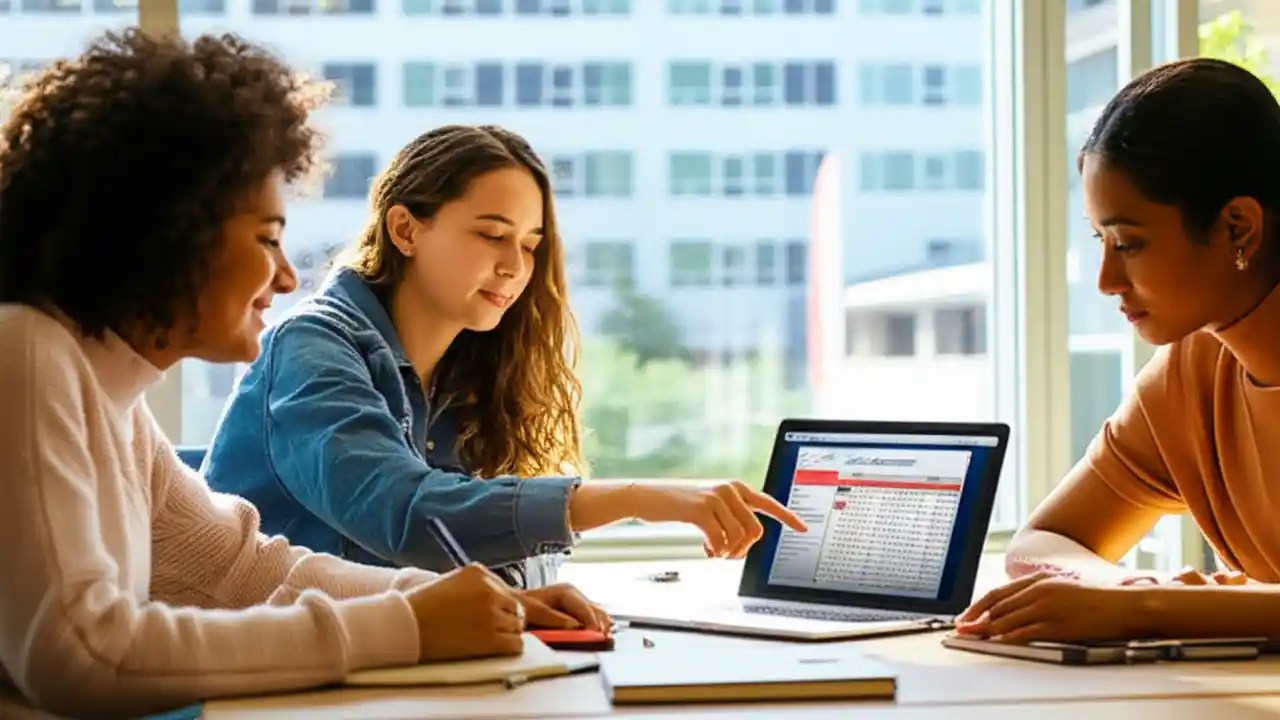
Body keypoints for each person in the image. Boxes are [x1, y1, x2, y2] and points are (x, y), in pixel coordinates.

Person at [0, 31, 605, 719]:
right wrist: (407, 626)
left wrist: (457, 602)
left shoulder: (110, 402)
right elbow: (81, 655)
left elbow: (241, 570)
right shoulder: (26, 356)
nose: (287, 276)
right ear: (166, 232)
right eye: (267, 238)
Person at [203, 123, 808, 586]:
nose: (516, 266)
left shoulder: (470, 374)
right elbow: (407, 515)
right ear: (405, 230)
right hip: (272, 673)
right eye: (491, 235)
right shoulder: (310, 347)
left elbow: (509, 553)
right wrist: (638, 498)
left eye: (530, 243)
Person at [956, 57, 1280, 644]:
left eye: (1128, 243)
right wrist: (1121, 589)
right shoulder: (1192, 370)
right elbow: (1045, 541)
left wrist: (1149, 609)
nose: (1106, 280)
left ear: (1239, 228)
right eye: (1099, 239)